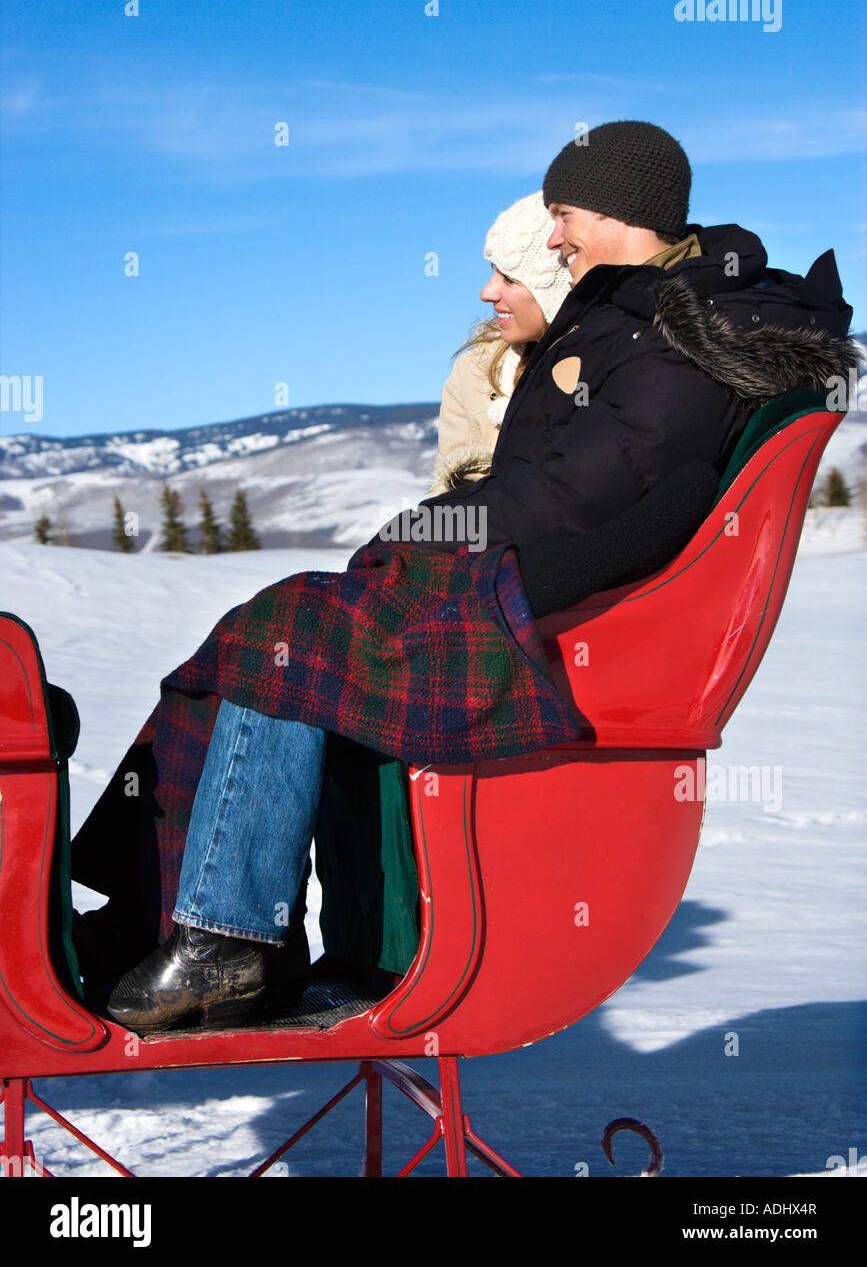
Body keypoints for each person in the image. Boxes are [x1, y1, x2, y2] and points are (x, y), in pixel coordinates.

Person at [71, 120, 855, 1034]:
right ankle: (175, 922)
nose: (553, 233)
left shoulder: (667, 330)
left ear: (615, 210)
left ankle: (228, 939)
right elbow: (556, 482)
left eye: (561, 212)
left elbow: (586, 492)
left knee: (291, 631)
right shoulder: (638, 315)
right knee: (274, 626)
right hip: (538, 576)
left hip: (552, 597)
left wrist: (428, 532)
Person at [431, 191, 571, 494]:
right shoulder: (475, 373)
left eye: (509, 279)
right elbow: (456, 508)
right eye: (492, 272)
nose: (487, 292)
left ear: (557, 289)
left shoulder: (615, 361)